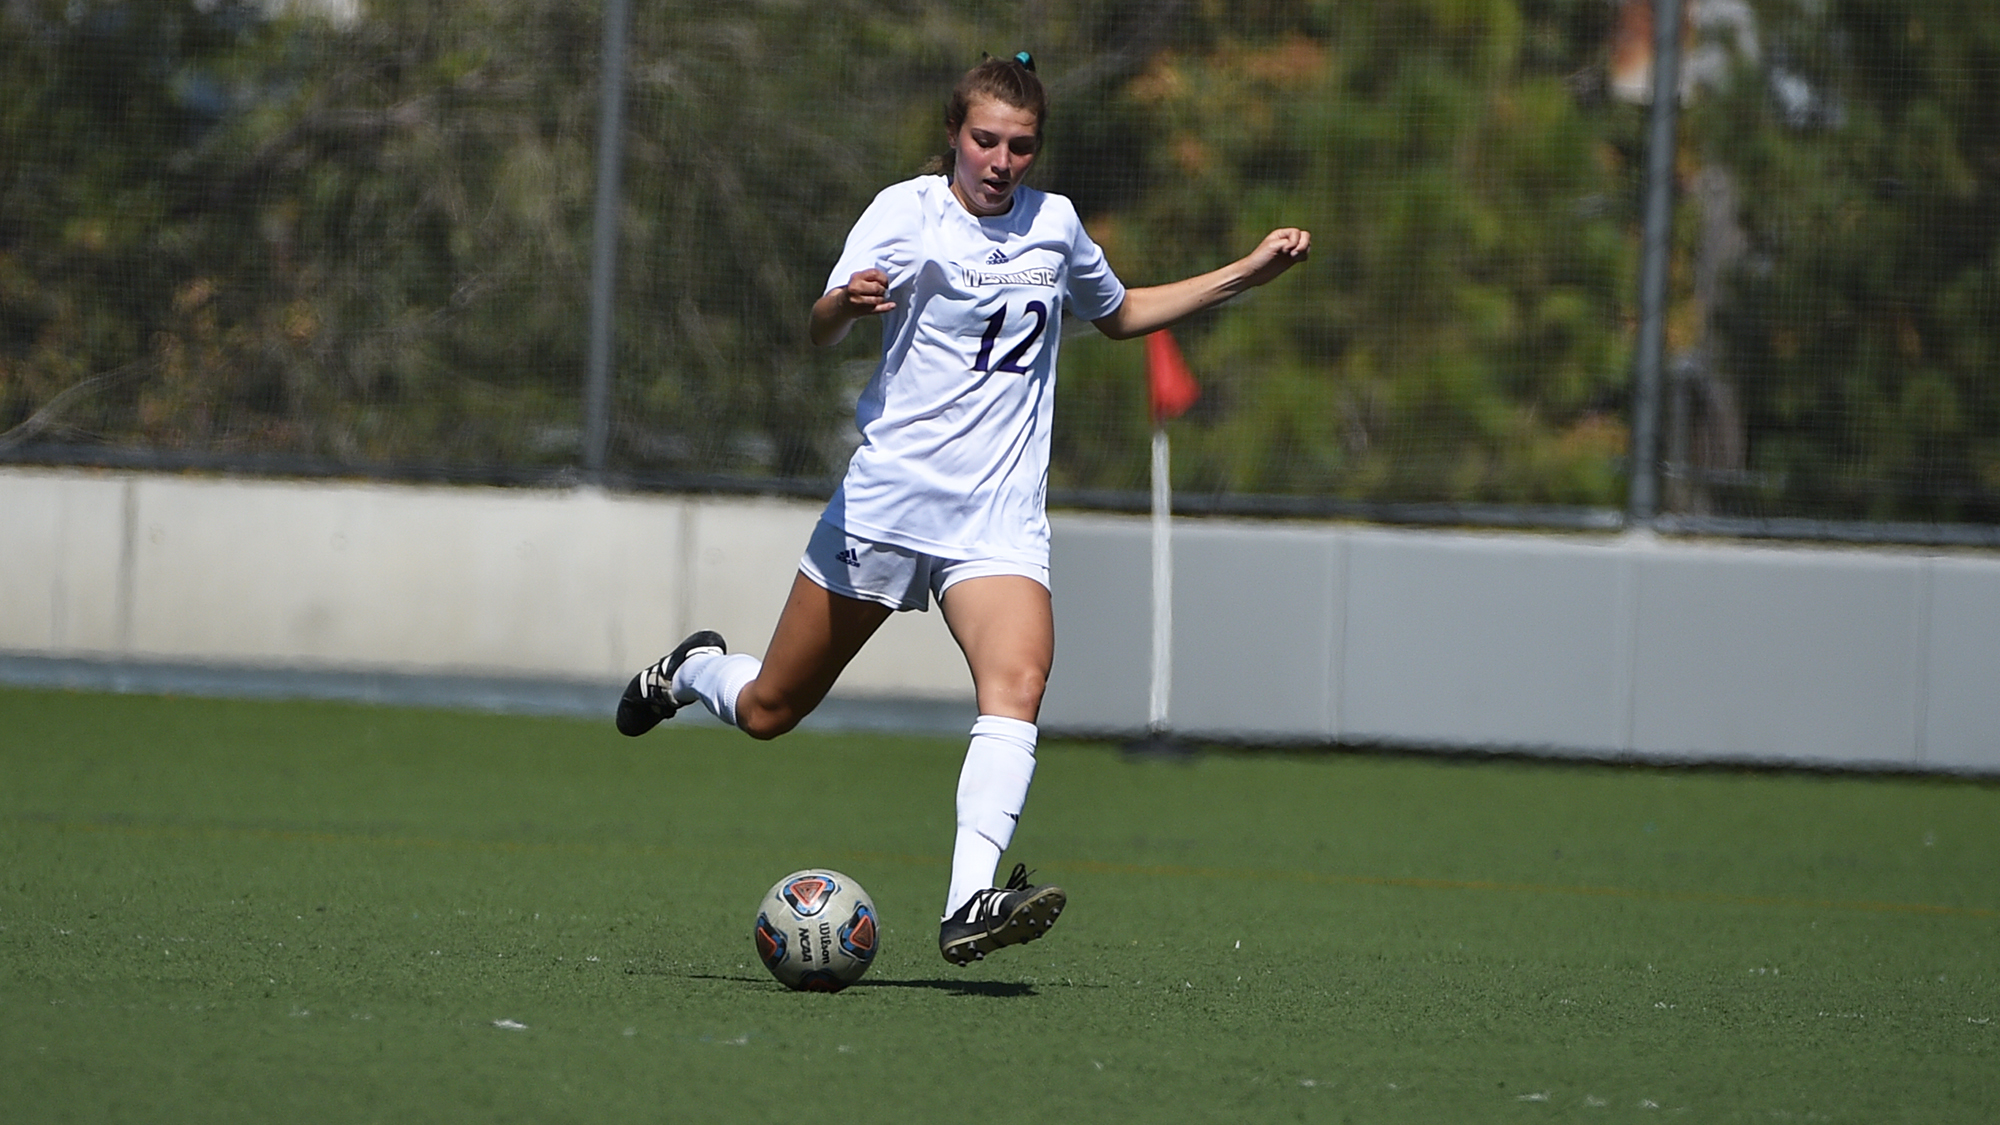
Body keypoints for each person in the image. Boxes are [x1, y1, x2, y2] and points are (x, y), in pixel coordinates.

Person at [616, 52, 1309, 967]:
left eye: (1020, 146)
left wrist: (1245, 275)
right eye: (985, 140)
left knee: (1018, 683)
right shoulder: (906, 212)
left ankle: (967, 902)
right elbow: (820, 324)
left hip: (997, 522)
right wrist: (845, 305)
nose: (1001, 160)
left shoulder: (1055, 225)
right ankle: (694, 671)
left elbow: (1122, 312)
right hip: (889, 507)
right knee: (769, 709)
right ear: (954, 134)